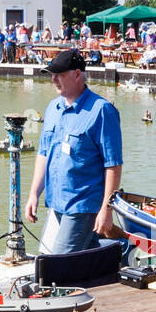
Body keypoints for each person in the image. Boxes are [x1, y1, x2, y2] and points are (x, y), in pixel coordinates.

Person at [26, 50, 123, 256]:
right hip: (57, 202)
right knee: (77, 257)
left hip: (83, 205)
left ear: (77, 74)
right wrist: (34, 193)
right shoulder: (53, 108)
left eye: (59, 74)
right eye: (51, 75)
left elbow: (113, 165)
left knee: (58, 263)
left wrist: (107, 209)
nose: (54, 80)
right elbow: (44, 153)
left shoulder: (102, 110)